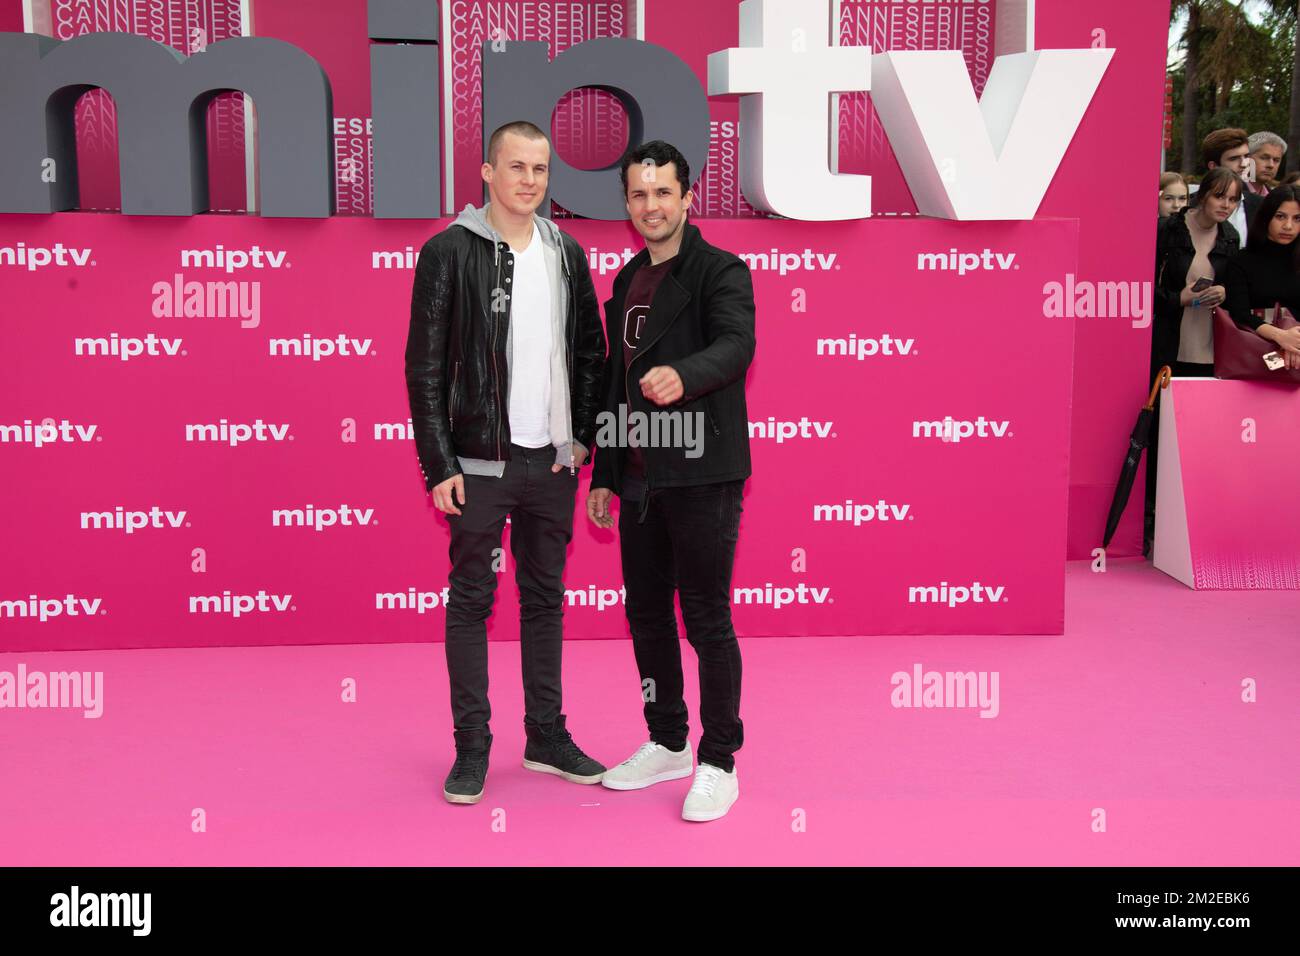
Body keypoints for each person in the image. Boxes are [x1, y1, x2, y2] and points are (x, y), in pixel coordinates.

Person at [405, 120, 608, 805]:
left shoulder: (566, 252)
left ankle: (546, 736)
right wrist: (440, 464)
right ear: (488, 173)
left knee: (545, 599)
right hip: (478, 464)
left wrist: (581, 439)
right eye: (516, 167)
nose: (529, 180)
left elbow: (590, 352)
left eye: (540, 169)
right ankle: (472, 747)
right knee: (472, 601)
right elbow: (425, 368)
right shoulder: (447, 252)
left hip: (551, 464)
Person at [586, 140, 756, 822]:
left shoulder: (721, 271)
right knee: (647, 615)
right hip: (639, 479)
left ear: (687, 197)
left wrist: (685, 375)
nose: (651, 205)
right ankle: (667, 741)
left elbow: (737, 345)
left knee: (706, 619)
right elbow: (614, 385)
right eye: (639, 194)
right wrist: (604, 473)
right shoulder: (626, 281)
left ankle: (719, 760)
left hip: (703, 471)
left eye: (663, 192)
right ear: (627, 203)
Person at [1145, 165, 1243, 556]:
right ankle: (1152, 517)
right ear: (1203, 195)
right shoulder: (1167, 230)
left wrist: (1224, 291)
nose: (1226, 205)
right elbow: (1142, 285)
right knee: (1159, 434)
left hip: (1209, 346)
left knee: (1196, 438)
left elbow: (1237, 288)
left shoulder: (1231, 236)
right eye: (1220, 196)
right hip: (1168, 344)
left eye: (1233, 199)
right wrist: (1178, 299)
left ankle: (1190, 520)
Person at [1222, 184, 1300, 370]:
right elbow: (1239, 314)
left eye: (1297, 218)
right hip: (1252, 356)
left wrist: (1294, 343)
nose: (1288, 226)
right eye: (1280, 216)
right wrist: (1281, 336)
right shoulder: (1241, 261)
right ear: (1266, 217)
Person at [1189, 128, 1260, 245]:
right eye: (1234, 158)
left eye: (1246, 156)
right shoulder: (1187, 206)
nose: (1244, 164)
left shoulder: (1259, 205)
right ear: (1213, 166)